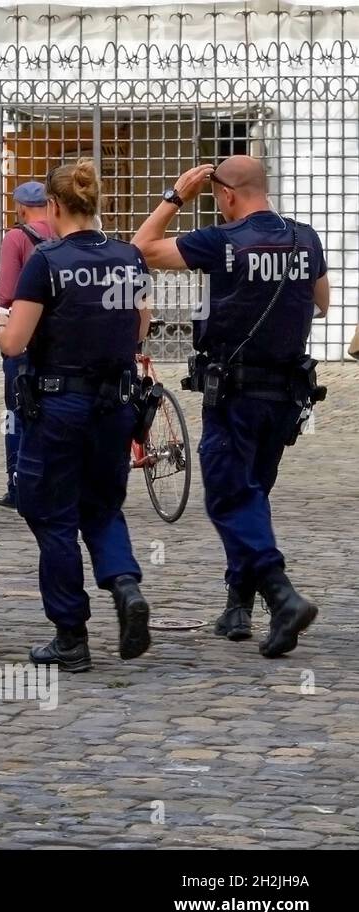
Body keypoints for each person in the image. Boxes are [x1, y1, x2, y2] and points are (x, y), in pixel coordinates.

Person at [132, 155, 327, 658]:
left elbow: (140, 249)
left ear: (225, 194)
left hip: (235, 394)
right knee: (252, 493)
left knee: (228, 495)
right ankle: (238, 605)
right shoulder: (305, 238)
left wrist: (177, 196)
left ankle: (281, 595)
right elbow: (321, 301)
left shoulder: (221, 241)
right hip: (286, 394)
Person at [0, 159, 151, 672]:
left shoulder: (47, 259)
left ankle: (71, 635)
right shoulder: (129, 257)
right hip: (115, 404)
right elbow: (140, 329)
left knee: (52, 516)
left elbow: (15, 341)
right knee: (102, 507)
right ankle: (125, 587)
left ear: (54, 207)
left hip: (59, 404)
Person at [0, 181, 53, 510]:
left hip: (24, 337)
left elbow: (6, 295)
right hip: (60, 340)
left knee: (16, 411)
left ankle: (19, 485)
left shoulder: (17, 237)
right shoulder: (65, 233)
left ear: (21, 208)